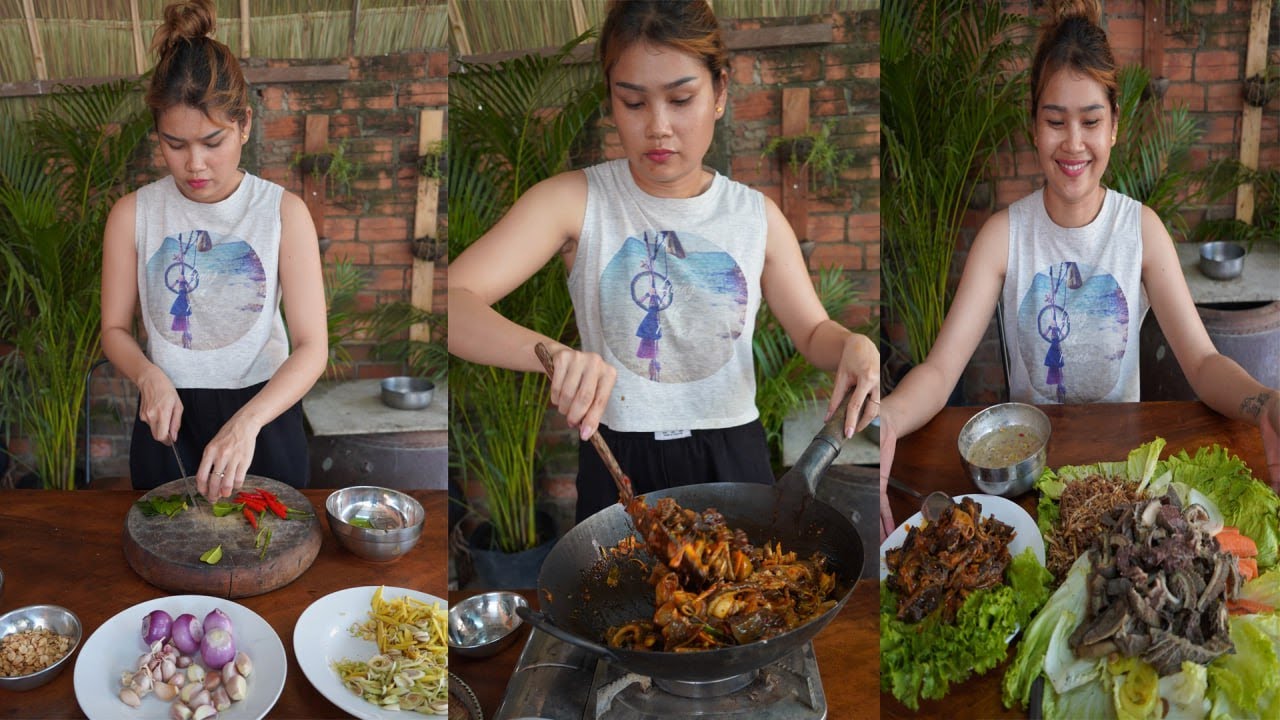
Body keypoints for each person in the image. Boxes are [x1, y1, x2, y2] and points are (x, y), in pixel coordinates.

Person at [449, 0, 879, 522]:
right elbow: (451, 302)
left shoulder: (754, 216)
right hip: (618, 460)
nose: (658, 127)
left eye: (681, 99)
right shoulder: (573, 202)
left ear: (719, 93)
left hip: (732, 457)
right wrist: (551, 353)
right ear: (610, 101)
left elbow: (812, 332)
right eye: (633, 103)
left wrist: (853, 345)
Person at [878, 0, 1280, 540]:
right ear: (1033, 127)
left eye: (1091, 121)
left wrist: (1265, 403)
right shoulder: (1004, 236)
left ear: (1115, 126)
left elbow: (1204, 363)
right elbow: (939, 371)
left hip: (1125, 482)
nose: (1073, 143)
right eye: (1054, 121)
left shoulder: (1141, 230)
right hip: (1028, 486)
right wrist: (888, 422)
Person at [101, 0, 327, 501]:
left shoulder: (282, 213)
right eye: (174, 144)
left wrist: (247, 423)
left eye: (212, 141)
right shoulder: (131, 215)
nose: (194, 164)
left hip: (263, 418)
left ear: (244, 124)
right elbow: (114, 330)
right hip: (169, 422)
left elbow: (313, 347)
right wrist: (148, 376)